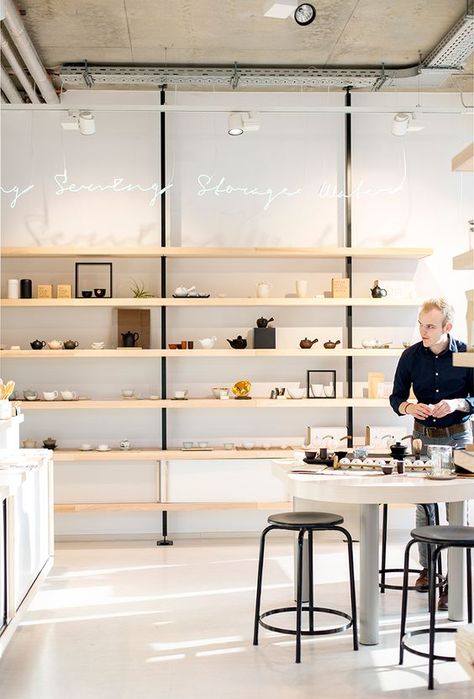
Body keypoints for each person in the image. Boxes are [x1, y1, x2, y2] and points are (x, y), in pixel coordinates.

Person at [390, 298, 474, 610]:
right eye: (421, 324)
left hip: (458, 438)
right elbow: (396, 396)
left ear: (447, 327)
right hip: (423, 438)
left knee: (457, 509)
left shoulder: (466, 354)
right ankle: (428, 568)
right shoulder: (410, 355)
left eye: (430, 326)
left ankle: (453, 581)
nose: (422, 331)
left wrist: (456, 404)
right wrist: (410, 406)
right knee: (425, 507)